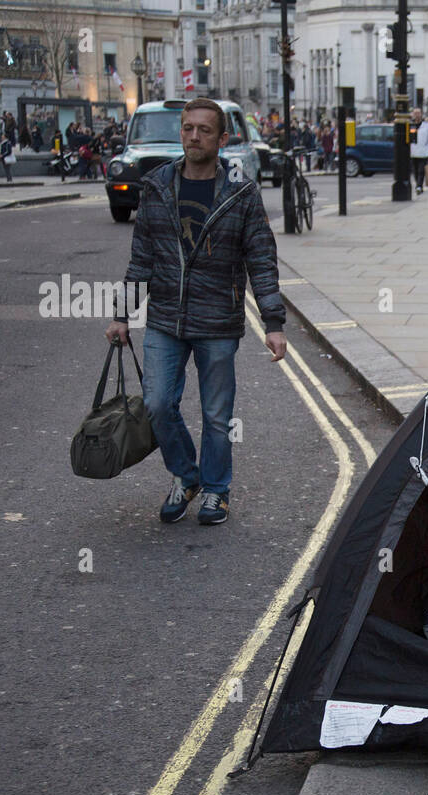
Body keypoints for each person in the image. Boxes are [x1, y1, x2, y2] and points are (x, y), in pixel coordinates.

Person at [105, 98, 287, 526]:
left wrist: (274, 322)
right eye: (187, 128)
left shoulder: (241, 192)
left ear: (222, 139)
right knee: (156, 403)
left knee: (216, 416)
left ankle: (217, 490)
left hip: (218, 322)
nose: (193, 136)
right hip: (166, 318)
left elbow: (261, 259)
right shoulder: (157, 187)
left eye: (204, 130)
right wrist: (122, 315)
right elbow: (141, 257)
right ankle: (186, 477)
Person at [410, 107, 428, 193]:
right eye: (415, 113)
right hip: (413, 152)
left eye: (418, 113)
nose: (417, 115)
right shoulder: (410, 125)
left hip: (423, 152)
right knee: (415, 170)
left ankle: (419, 186)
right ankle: (418, 185)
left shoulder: (426, 125)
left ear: (421, 114)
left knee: (421, 170)